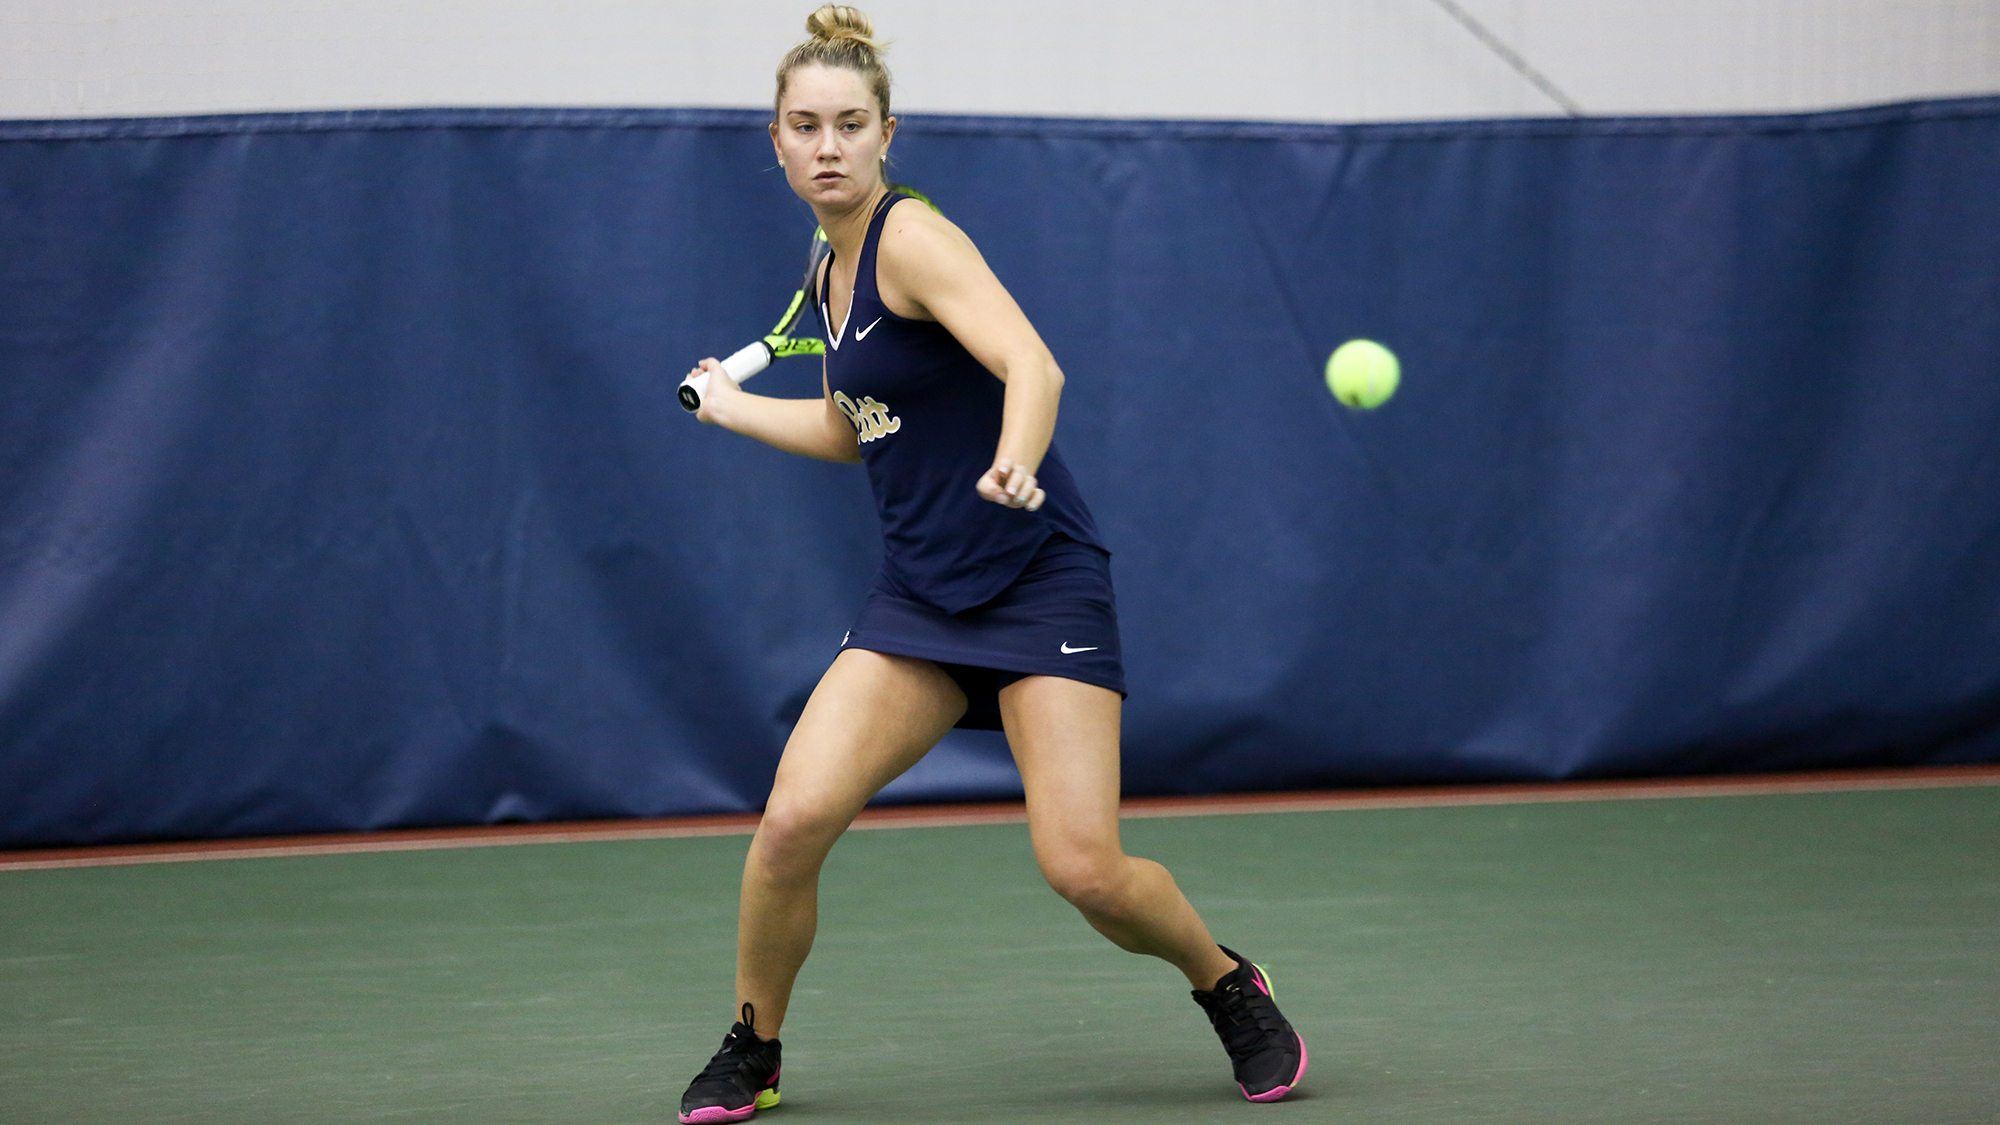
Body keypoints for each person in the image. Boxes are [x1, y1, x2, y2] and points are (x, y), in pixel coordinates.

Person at [675, 8, 1305, 1122]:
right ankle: (753, 1046)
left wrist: (1015, 460)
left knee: (1084, 869)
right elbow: (851, 429)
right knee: (788, 827)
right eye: (805, 126)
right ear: (774, 141)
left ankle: (1225, 983)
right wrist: (732, 409)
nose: (827, 146)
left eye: (850, 125)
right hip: (921, 596)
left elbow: (1032, 365)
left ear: (886, 135)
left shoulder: (912, 240)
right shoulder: (827, 270)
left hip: (1035, 578)